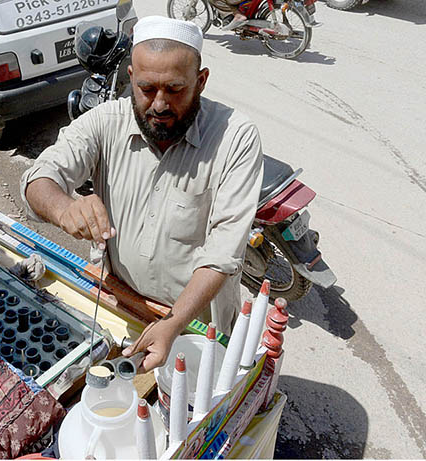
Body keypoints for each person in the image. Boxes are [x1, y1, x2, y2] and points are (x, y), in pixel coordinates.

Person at [20, 16, 263, 372]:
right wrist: (63, 208)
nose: (160, 105)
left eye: (175, 90)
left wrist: (172, 323)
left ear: (201, 81)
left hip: (193, 323)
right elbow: (37, 178)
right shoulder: (105, 121)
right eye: (147, 89)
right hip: (120, 303)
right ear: (131, 78)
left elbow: (223, 252)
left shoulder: (236, 138)